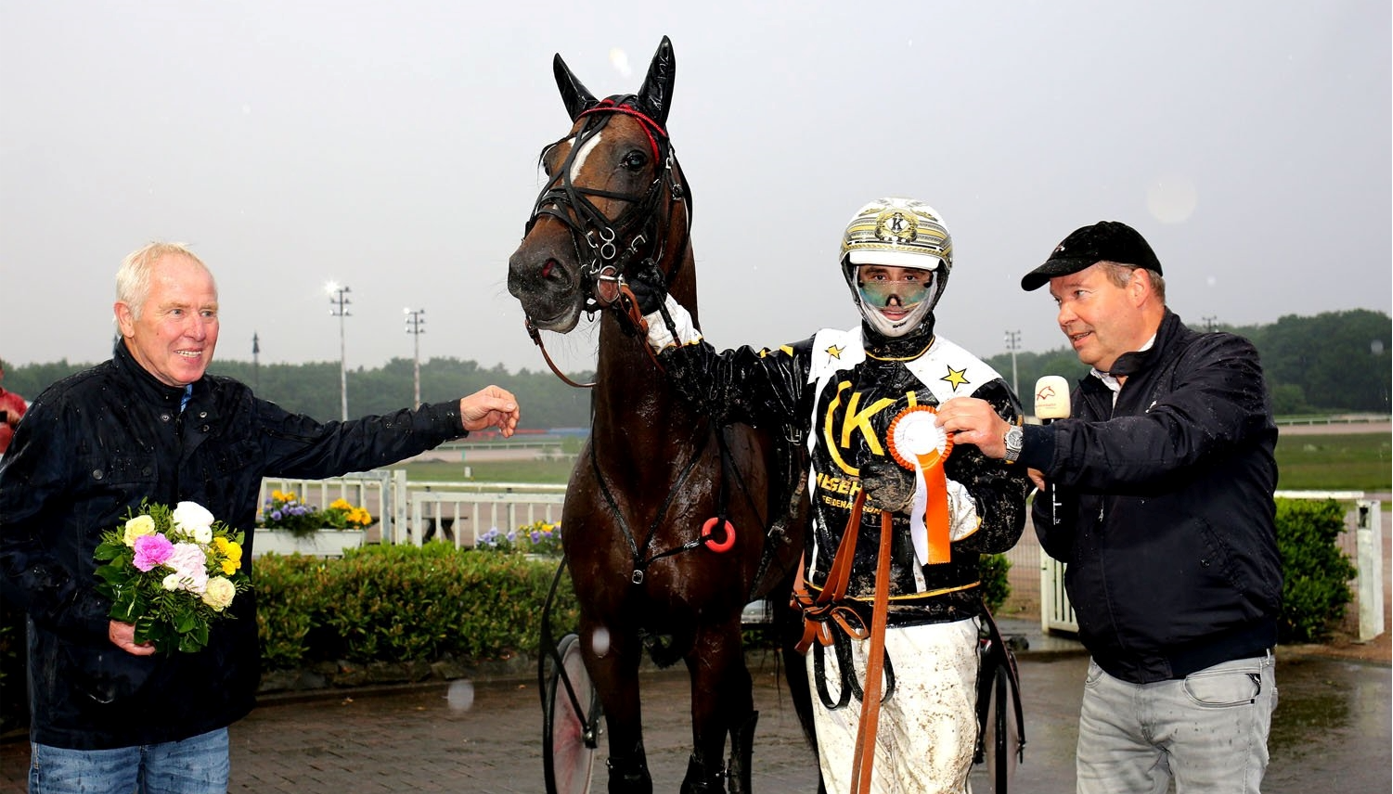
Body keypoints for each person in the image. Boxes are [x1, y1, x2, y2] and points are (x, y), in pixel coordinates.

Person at [0, 242, 520, 794]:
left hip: (198, 720)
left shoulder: (233, 411)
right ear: (126, 318)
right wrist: (98, 618)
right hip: (87, 724)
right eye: (176, 311)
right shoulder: (69, 412)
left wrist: (454, 417)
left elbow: (336, 444)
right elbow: (8, 540)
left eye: (208, 311)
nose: (196, 330)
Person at [630, 197, 1031, 793]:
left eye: (912, 277)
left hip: (932, 634)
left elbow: (1003, 521)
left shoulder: (977, 386)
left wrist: (923, 497)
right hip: (835, 630)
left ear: (937, 281)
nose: (893, 295)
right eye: (877, 276)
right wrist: (657, 306)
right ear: (853, 277)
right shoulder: (819, 359)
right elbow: (717, 383)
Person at [936, 220, 1282, 794]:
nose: (1064, 315)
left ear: (1138, 287)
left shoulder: (1221, 363)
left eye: (1079, 293)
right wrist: (1048, 480)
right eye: (1057, 301)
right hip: (1110, 682)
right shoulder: (1084, 399)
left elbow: (1161, 446)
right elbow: (1062, 542)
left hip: (1212, 677)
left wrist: (1023, 441)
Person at [0, 360, 27, 459]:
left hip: (9, 461)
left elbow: (30, 434)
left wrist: (17, 423)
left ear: (1, 373)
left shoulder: (17, 402)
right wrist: (4, 416)